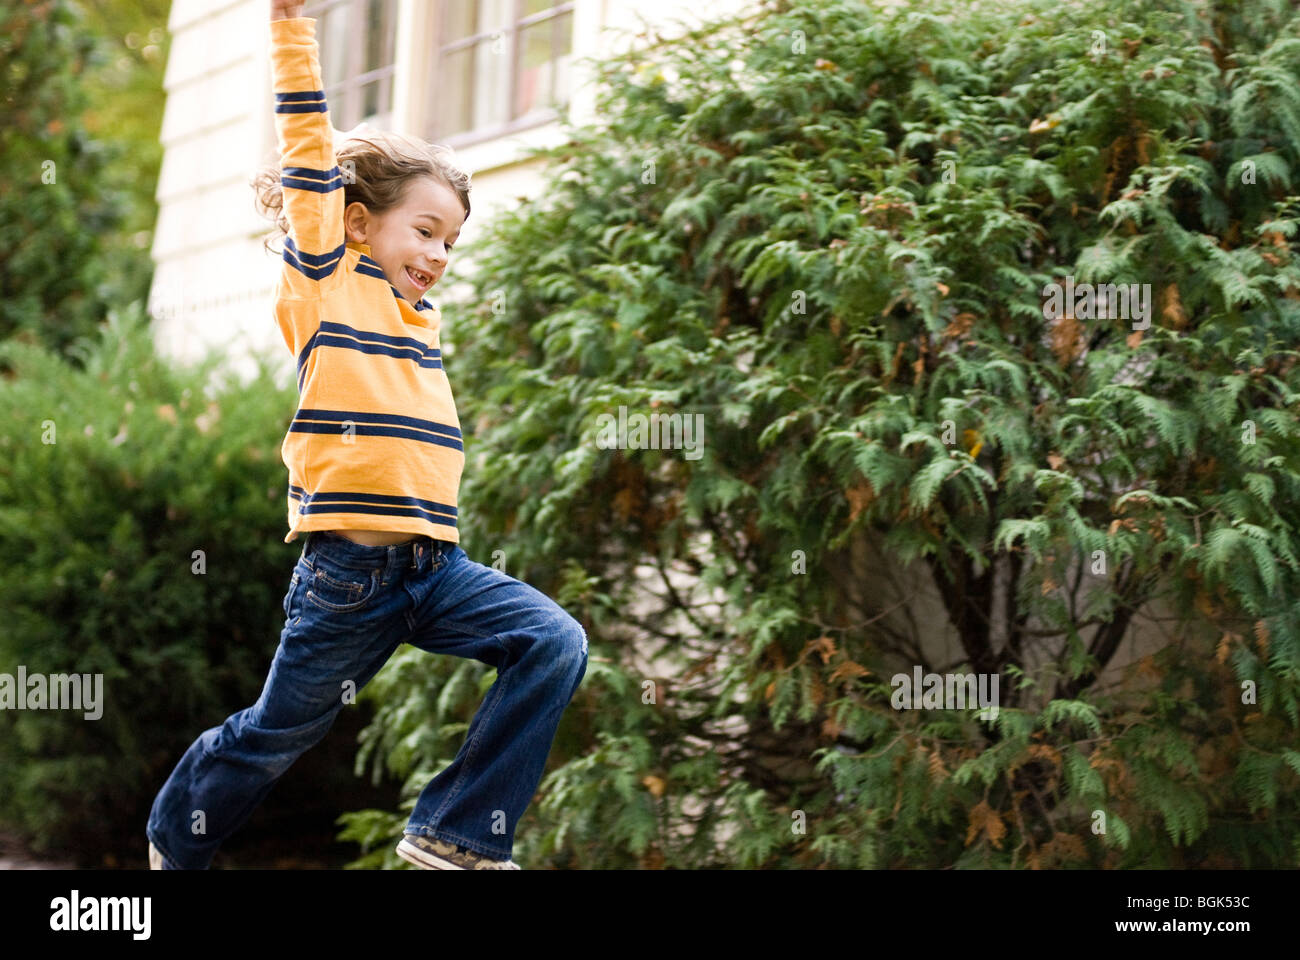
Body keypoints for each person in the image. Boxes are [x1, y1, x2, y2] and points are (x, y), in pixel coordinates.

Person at [145, 0, 587, 871]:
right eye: (425, 231)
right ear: (355, 224)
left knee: (553, 641)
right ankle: (173, 839)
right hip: (347, 578)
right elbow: (309, 150)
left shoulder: (417, 323)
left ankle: (454, 835)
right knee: (278, 734)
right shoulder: (326, 282)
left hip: (435, 567)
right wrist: (289, 24)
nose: (440, 255)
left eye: (452, 243)